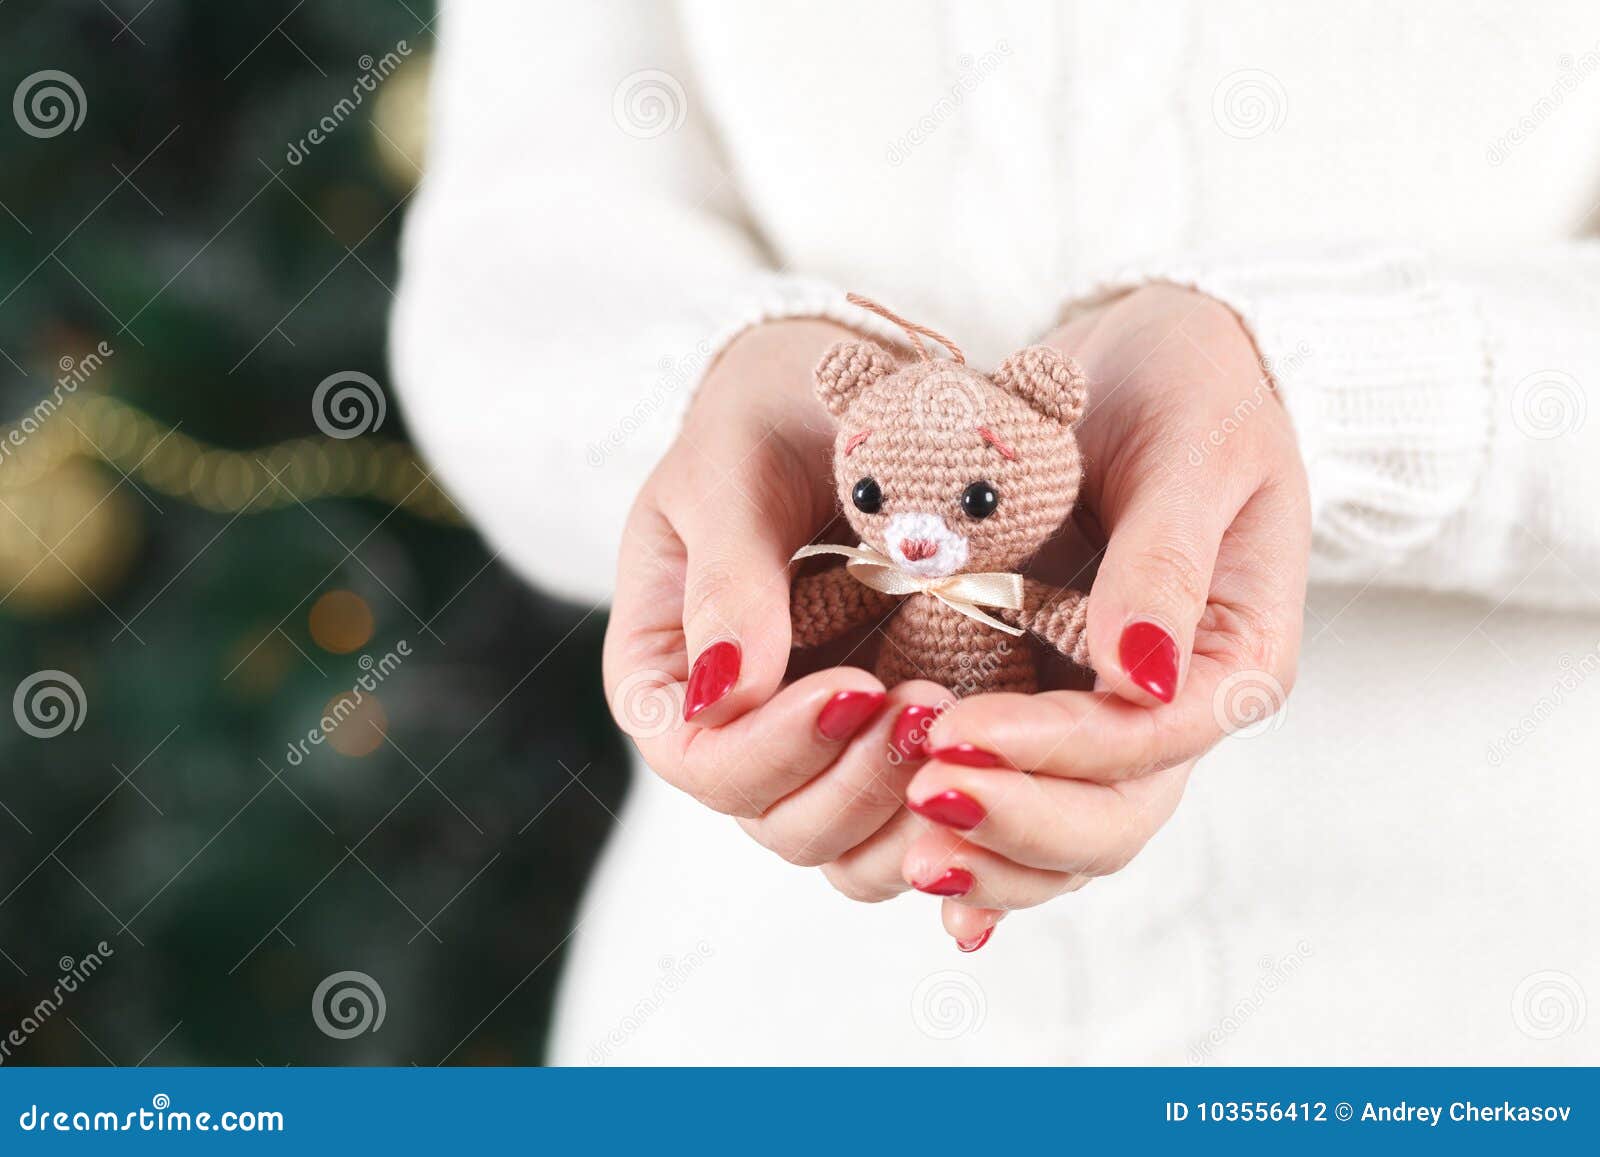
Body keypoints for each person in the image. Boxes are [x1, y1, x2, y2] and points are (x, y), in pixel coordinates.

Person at [393, 1, 1600, 1063]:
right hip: (771, 1023)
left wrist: (1310, 392)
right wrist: (725, 427)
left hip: (1484, 1016)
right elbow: (508, 277)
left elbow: (1060, 616)